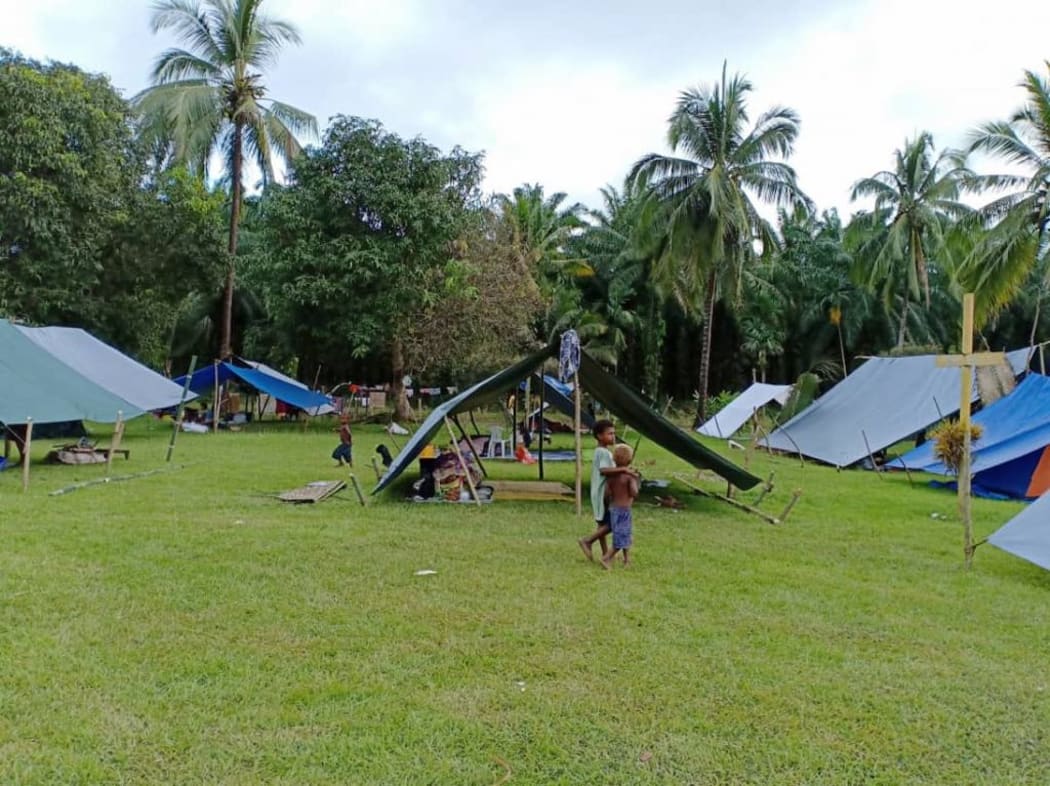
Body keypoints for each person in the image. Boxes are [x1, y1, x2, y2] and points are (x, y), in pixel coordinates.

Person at [577, 420, 637, 561]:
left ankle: (605, 553)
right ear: (599, 436)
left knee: (602, 525)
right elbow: (604, 470)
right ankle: (587, 541)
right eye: (609, 434)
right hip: (601, 493)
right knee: (610, 524)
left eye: (613, 433)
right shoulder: (603, 452)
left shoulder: (602, 451)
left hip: (600, 492)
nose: (613, 436)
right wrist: (623, 469)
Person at [601, 444, 639, 569]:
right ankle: (607, 558)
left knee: (624, 534)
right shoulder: (629, 477)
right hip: (624, 511)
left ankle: (627, 560)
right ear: (630, 460)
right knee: (622, 537)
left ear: (614, 459)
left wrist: (608, 504)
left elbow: (607, 494)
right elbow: (634, 493)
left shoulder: (611, 477)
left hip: (614, 509)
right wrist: (636, 481)